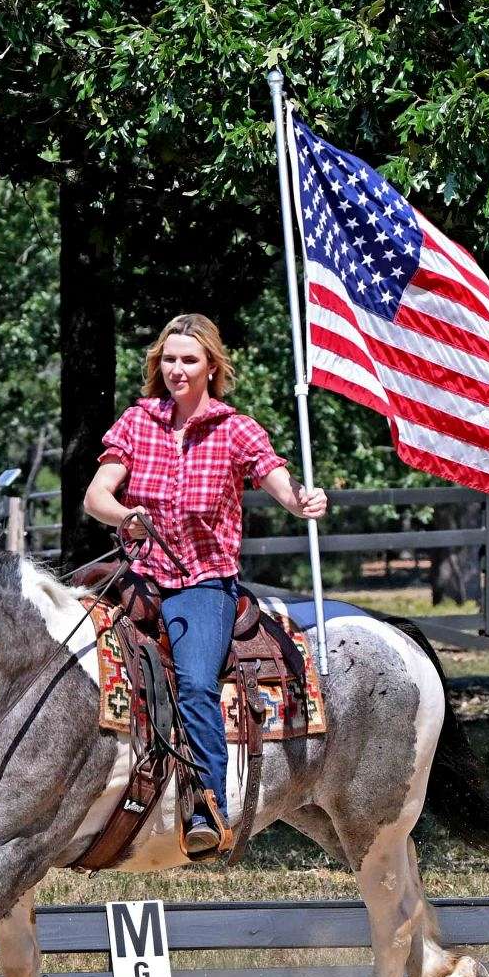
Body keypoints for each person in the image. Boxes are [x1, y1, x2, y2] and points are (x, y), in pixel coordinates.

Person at [84, 313, 328, 853]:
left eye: (189, 360)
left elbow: (275, 479)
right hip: (137, 575)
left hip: (202, 583)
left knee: (195, 682)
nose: (177, 369)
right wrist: (124, 516)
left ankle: (205, 804)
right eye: (168, 359)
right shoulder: (136, 421)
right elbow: (96, 495)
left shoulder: (235, 428)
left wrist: (300, 500)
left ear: (211, 367)